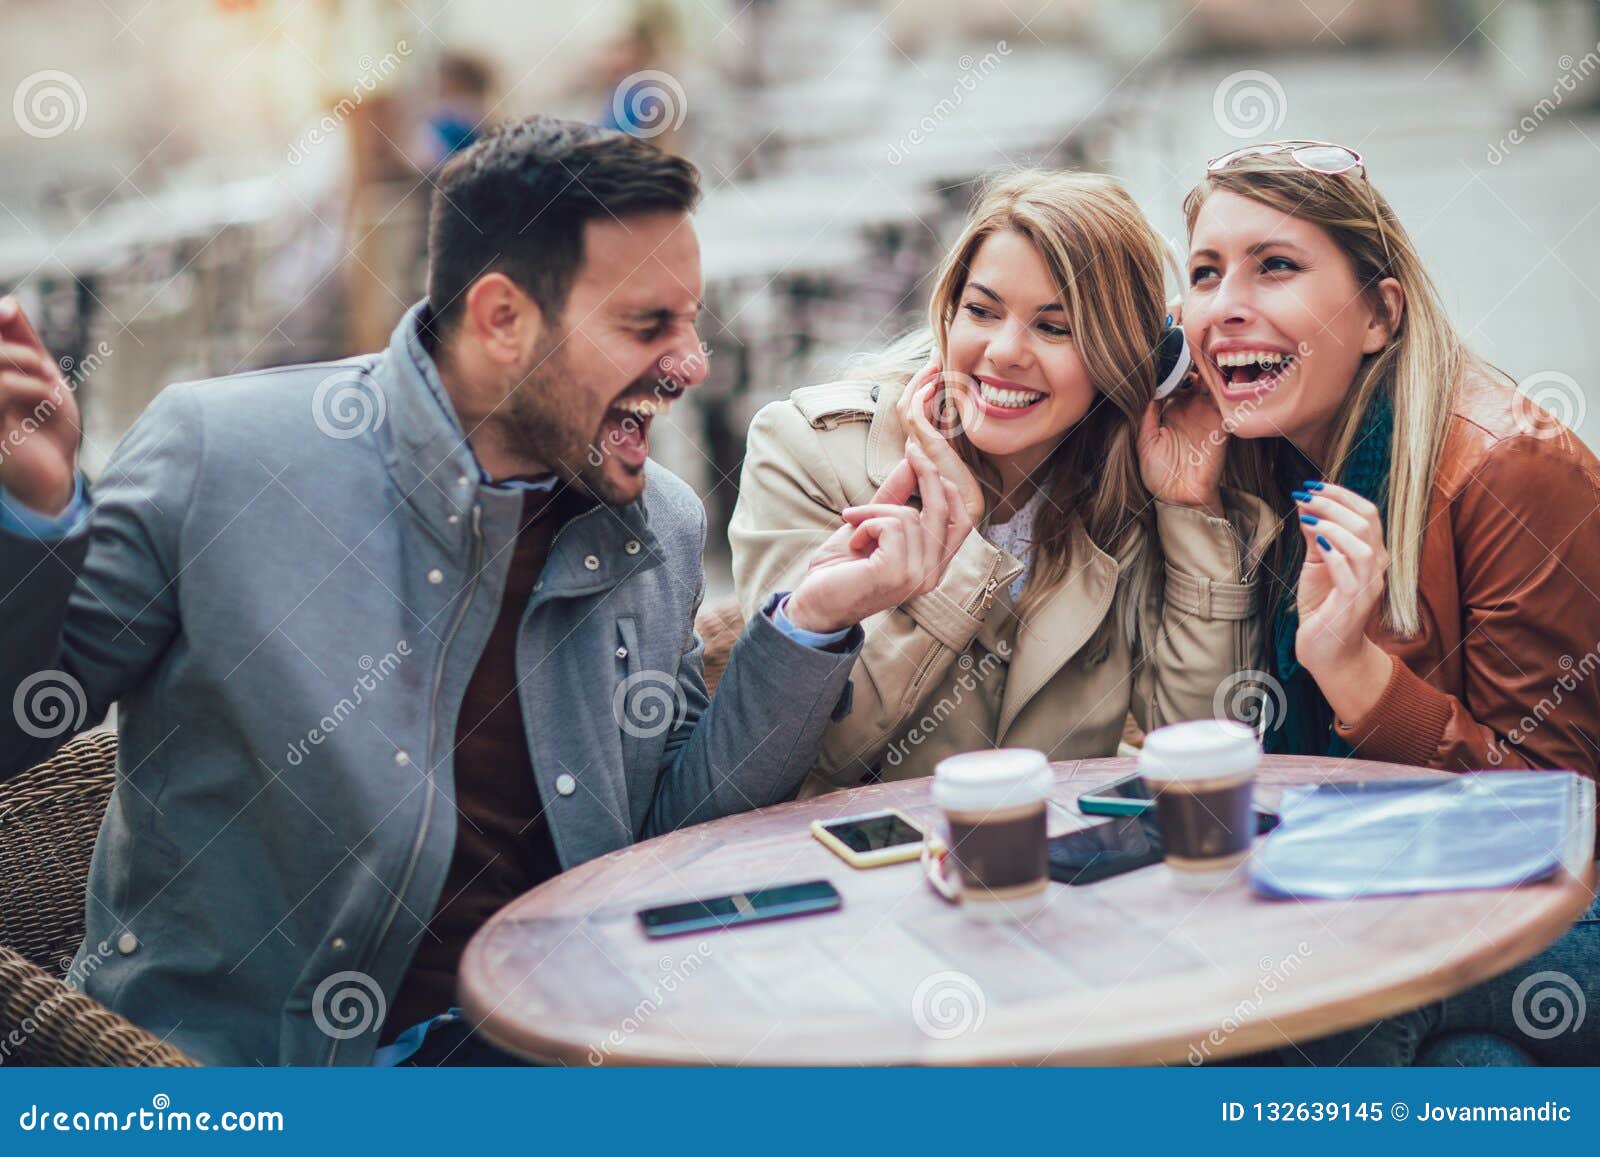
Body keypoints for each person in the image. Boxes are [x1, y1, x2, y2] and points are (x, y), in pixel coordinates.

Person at [0, 116, 964, 1066]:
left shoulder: (658, 524)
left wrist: (811, 621)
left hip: (561, 1044)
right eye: (647, 324)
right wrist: (35, 520)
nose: (693, 366)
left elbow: (669, 840)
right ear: (503, 319)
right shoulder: (223, 457)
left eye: (693, 321)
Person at [1180, 140, 1600, 1064]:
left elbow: (1557, 817)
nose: (1225, 305)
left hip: (1563, 910)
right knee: (1475, 1075)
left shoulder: (1508, 466)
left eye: (1276, 266)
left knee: (1318, 994)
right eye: (1204, 274)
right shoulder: (1258, 460)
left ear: (1380, 314)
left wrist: (1362, 678)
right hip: (1386, 889)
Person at [730, 170, 1276, 793]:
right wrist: (952, 562)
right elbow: (799, 753)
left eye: (1054, 326)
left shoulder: (1138, 486)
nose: (1005, 352)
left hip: (1061, 870)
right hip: (863, 876)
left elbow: (1202, 743)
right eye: (982, 311)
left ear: (1130, 358)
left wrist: (1188, 510)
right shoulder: (808, 451)